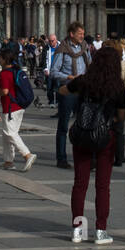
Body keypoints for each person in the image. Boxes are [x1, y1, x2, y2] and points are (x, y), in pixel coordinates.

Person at [62, 46, 125, 243]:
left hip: (82, 134)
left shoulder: (84, 81)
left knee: (79, 185)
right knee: (102, 186)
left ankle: (77, 229)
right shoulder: (118, 87)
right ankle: (100, 230)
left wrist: (75, 84)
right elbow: (121, 116)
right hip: (105, 137)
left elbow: (62, 90)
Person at [53, 22, 90, 169]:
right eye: (80, 33)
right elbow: (54, 72)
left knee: (84, 124)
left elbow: (90, 66)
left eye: (83, 33)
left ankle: (83, 157)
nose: (82, 36)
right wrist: (68, 77)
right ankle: (61, 158)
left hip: (83, 91)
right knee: (63, 126)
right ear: (72, 34)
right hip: (68, 91)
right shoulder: (62, 49)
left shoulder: (84, 49)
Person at [0, 44, 37, 171]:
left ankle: (27, 154)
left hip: (10, 108)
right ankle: (8, 161)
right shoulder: (15, 70)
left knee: (10, 133)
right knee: (7, 134)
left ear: (4, 59)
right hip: (18, 106)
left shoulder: (5, 74)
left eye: (0, 58)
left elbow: (4, 91)